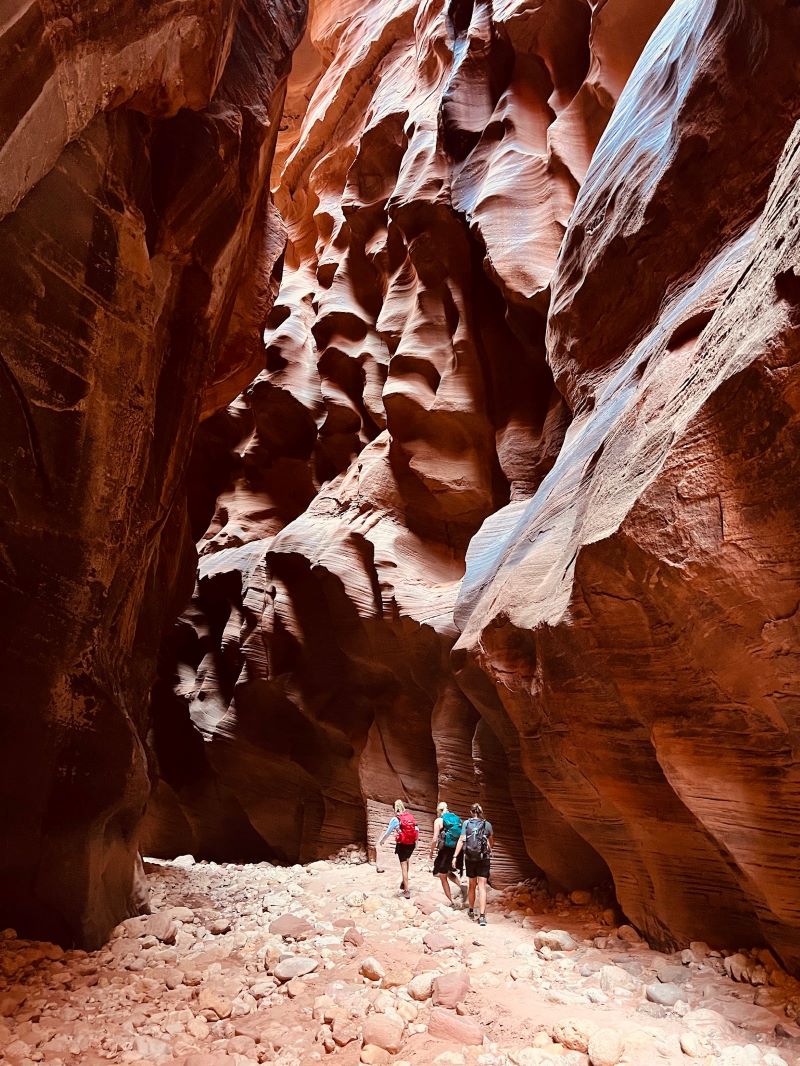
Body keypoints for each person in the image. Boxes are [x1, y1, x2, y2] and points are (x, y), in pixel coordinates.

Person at [454, 802, 494, 925]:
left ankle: (471, 910)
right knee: (482, 886)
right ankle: (482, 916)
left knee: (472, 885)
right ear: (481, 812)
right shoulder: (487, 824)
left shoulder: (466, 824)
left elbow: (461, 840)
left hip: (470, 858)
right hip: (484, 858)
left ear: (471, 812)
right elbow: (491, 842)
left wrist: (455, 856)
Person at [377, 800, 418, 898]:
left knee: (403, 866)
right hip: (411, 844)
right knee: (407, 861)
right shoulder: (410, 817)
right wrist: (416, 842)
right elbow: (417, 829)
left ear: (395, 809)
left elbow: (388, 832)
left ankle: (406, 891)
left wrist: (382, 841)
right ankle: (404, 882)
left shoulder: (395, 819)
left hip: (402, 844)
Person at [429, 801, 466, 906]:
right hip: (457, 850)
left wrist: (431, 851)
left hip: (445, 850)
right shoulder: (456, 818)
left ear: (439, 811)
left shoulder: (439, 820)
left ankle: (452, 902)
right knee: (448, 872)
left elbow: (435, 839)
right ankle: (462, 887)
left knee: (442, 875)